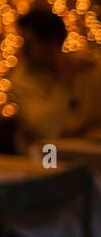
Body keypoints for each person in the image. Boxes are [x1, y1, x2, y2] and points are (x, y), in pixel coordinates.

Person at [10, 8, 101, 146]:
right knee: (51, 158)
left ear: (52, 44)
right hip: (44, 153)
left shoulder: (89, 69)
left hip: (87, 150)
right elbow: (45, 131)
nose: (23, 50)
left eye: (29, 44)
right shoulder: (22, 80)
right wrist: (65, 83)